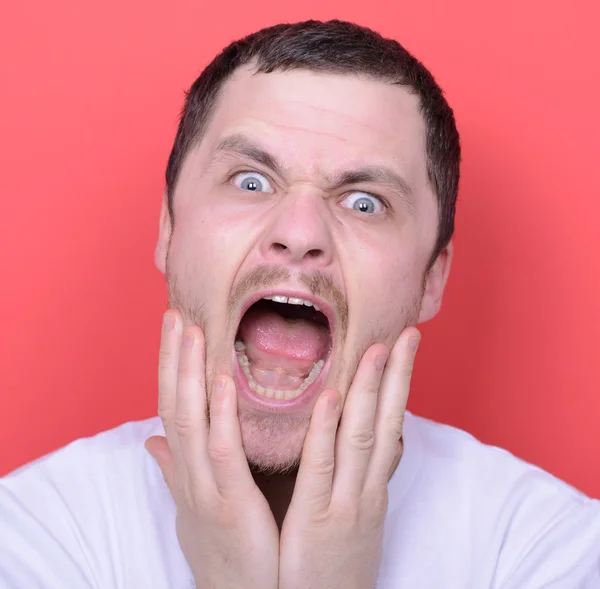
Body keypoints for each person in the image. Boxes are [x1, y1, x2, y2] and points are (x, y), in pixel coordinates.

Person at [1, 19, 598, 589]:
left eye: (364, 202)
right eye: (251, 180)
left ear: (432, 278)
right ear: (168, 227)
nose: (300, 231)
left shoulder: (549, 549)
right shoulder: (33, 534)